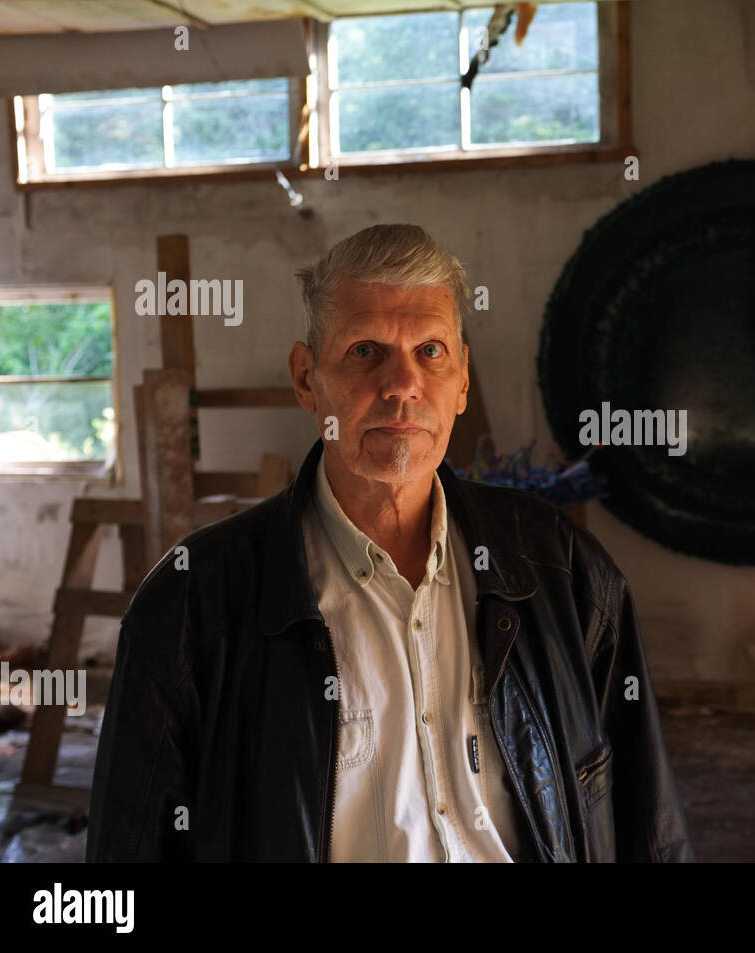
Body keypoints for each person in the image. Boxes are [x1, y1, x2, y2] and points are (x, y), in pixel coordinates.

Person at [86, 224, 694, 863]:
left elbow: (649, 825)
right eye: (364, 351)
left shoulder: (563, 572)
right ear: (306, 379)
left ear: (461, 380)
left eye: (430, 351)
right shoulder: (193, 603)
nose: (402, 383)